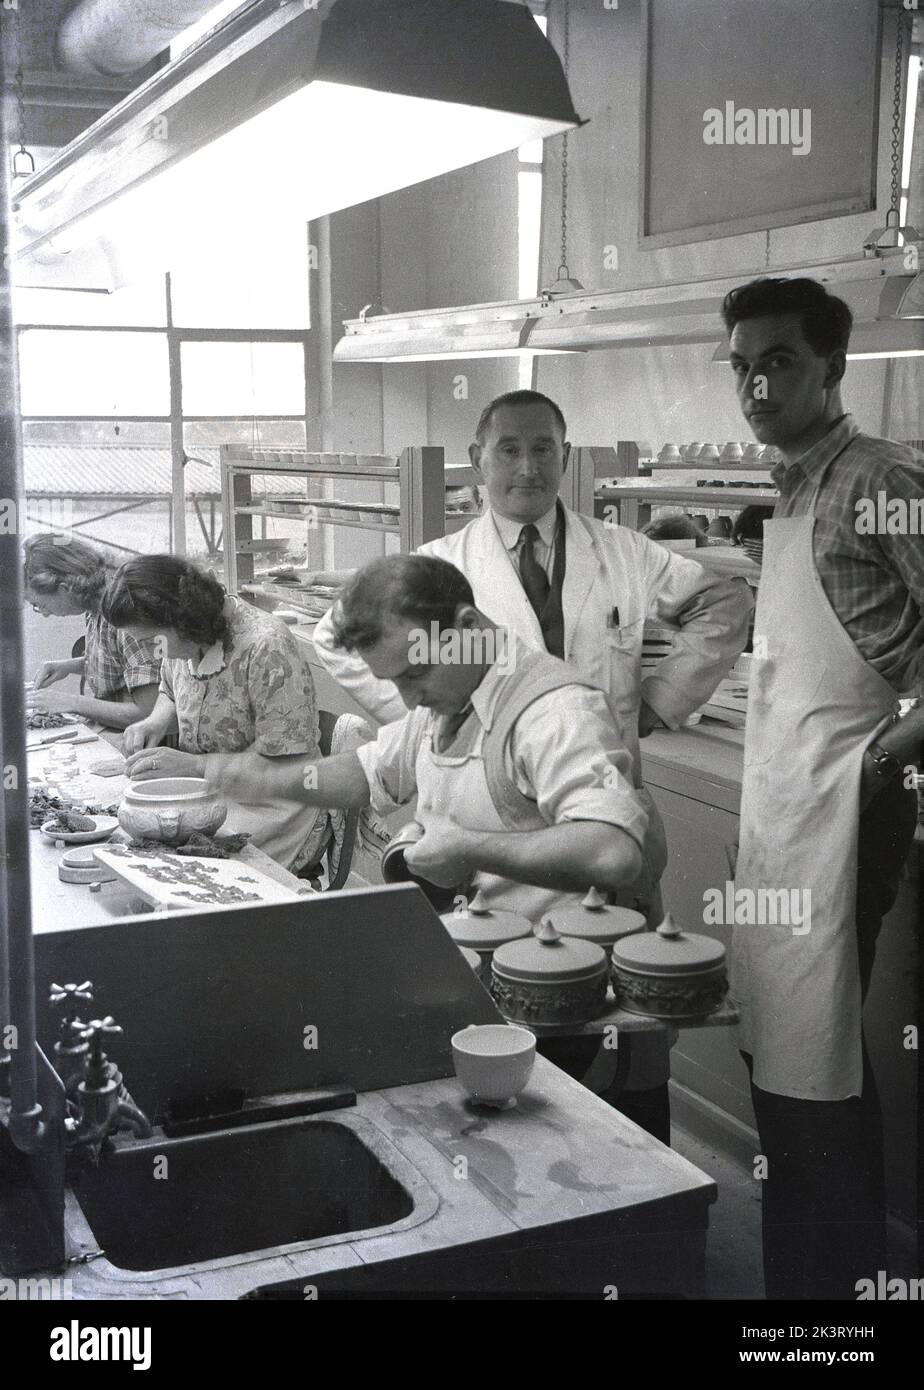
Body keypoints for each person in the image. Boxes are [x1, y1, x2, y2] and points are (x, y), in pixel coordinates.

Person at [310, 390, 754, 1139]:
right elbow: (336, 636)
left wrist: (656, 701)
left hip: (601, 820)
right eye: (508, 449)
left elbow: (726, 600)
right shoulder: (442, 565)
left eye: (544, 447)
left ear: (566, 457)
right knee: (518, 1053)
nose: (527, 465)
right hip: (497, 840)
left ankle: (644, 1203)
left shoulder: (623, 551)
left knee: (625, 1039)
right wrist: (422, 714)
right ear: (478, 461)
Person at [722, 275, 924, 1300]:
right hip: (784, 810)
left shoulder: (881, 478)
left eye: (781, 360)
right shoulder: (794, 484)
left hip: (846, 809)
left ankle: (834, 1304)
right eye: (743, 365)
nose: (757, 382)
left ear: (834, 367)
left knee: (819, 1057)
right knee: (792, 1057)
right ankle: (810, 1284)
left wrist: (887, 757)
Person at [164, 552, 649, 923]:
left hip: (551, 976)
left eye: (416, 674)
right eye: (394, 682)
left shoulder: (555, 713)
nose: (409, 699)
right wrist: (264, 779)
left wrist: (468, 847)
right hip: (476, 942)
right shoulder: (452, 691)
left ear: (468, 628)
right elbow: (364, 775)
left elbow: (614, 852)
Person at [101, 555, 331, 876]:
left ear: (182, 618)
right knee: (127, 840)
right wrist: (154, 721)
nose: (155, 650)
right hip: (212, 792)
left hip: (273, 807)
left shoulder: (266, 646)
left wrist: (196, 766)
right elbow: (171, 689)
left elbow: (289, 764)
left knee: (173, 869)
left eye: (153, 639)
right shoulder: (187, 639)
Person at [23, 535, 161, 731]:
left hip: (140, 739)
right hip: (115, 729)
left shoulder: (126, 617)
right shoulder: (94, 607)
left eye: (39, 605)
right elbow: (119, 662)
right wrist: (70, 666)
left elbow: (149, 714)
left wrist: (71, 702)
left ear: (65, 589)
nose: (44, 613)